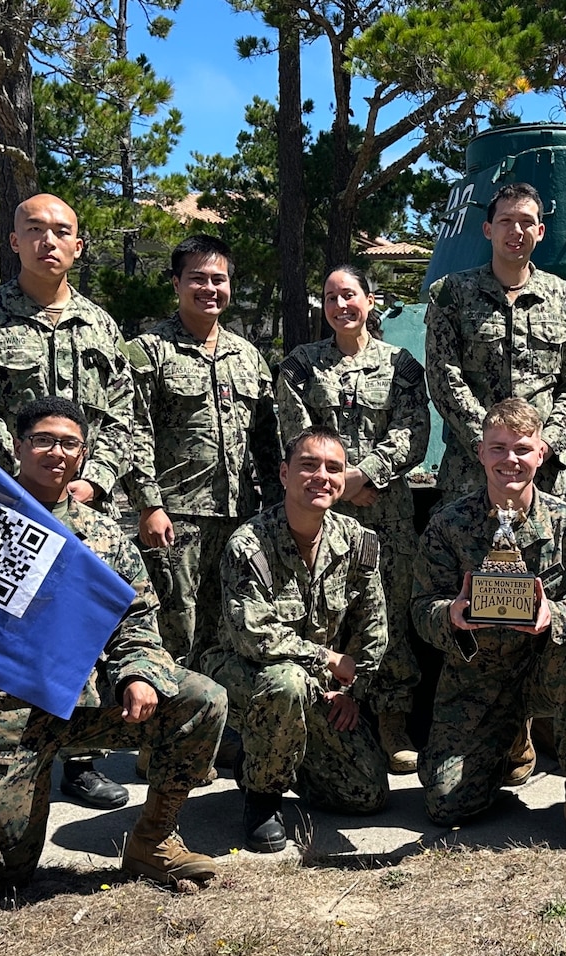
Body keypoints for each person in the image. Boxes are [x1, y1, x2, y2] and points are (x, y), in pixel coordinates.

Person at [0, 397, 225, 894]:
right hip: (2, 710)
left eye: (69, 443)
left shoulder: (104, 535)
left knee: (201, 699)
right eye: (43, 440)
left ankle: (154, 843)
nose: (56, 452)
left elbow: (138, 620)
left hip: (88, 698)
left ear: (82, 455)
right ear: (18, 446)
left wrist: (139, 671)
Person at [0, 192, 135, 810]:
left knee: (81, 624)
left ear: (78, 246)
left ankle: (80, 758)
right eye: (35, 230)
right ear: (14, 241)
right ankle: (0, 750)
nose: (48, 241)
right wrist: (28, 483)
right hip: (6, 505)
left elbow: (122, 417)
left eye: (61, 231)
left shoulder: (103, 326)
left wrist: (91, 479)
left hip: (82, 502)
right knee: (7, 627)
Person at [411, 397, 566, 857]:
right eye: (498, 448)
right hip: (476, 679)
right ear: (480, 453)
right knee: (446, 805)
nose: (511, 460)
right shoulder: (448, 525)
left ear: (541, 454)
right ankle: (512, 741)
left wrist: (554, 616)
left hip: (546, 669)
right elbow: (420, 608)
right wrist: (452, 614)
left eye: (522, 449)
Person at [199, 426, 390, 854]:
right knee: (287, 681)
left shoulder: (358, 543)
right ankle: (263, 797)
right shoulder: (249, 544)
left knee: (366, 794)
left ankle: (274, 754)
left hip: (322, 686)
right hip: (243, 672)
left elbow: (373, 628)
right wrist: (326, 659)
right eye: (308, 465)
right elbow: (253, 635)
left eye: (333, 468)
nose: (321, 476)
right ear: (284, 474)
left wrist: (351, 692)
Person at [277, 265, 429, 775]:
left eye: (350, 295)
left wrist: (363, 475)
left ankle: (391, 719)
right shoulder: (301, 365)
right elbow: (297, 436)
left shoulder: (402, 365)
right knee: (324, 612)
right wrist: (339, 485)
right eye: (330, 297)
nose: (340, 305)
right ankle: (329, 715)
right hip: (321, 515)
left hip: (386, 515)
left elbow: (413, 432)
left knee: (388, 614)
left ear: (369, 299)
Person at [123, 233, 281, 665]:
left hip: (240, 519)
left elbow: (267, 443)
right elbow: (132, 431)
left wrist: (277, 510)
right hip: (176, 518)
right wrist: (148, 505)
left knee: (230, 625)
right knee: (173, 628)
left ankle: (217, 722)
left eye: (219, 279)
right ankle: (167, 722)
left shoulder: (248, 357)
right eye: (198, 279)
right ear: (176, 283)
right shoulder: (148, 352)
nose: (210, 289)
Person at [424, 182, 566, 501]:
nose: (516, 230)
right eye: (505, 221)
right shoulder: (453, 294)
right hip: (472, 470)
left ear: (540, 231)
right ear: (488, 229)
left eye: (527, 222)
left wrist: (547, 443)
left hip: (541, 470)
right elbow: (444, 376)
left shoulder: (563, 298)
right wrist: (486, 444)